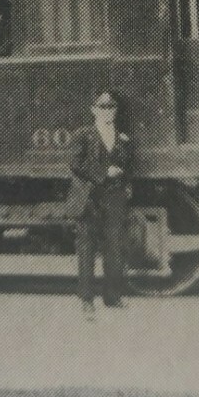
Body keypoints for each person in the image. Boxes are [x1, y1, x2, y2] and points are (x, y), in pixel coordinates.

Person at [68, 91, 133, 314]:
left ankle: (112, 297)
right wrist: (105, 172)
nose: (108, 112)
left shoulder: (122, 137)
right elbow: (75, 163)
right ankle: (87, 300)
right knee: (86, 250)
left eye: (111, 107)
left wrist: (125, 185)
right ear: (94, 110)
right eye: (103, 108)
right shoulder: (83, 135)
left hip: (114, 198)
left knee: (114, 248)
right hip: (89, 199)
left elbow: (128, 166)